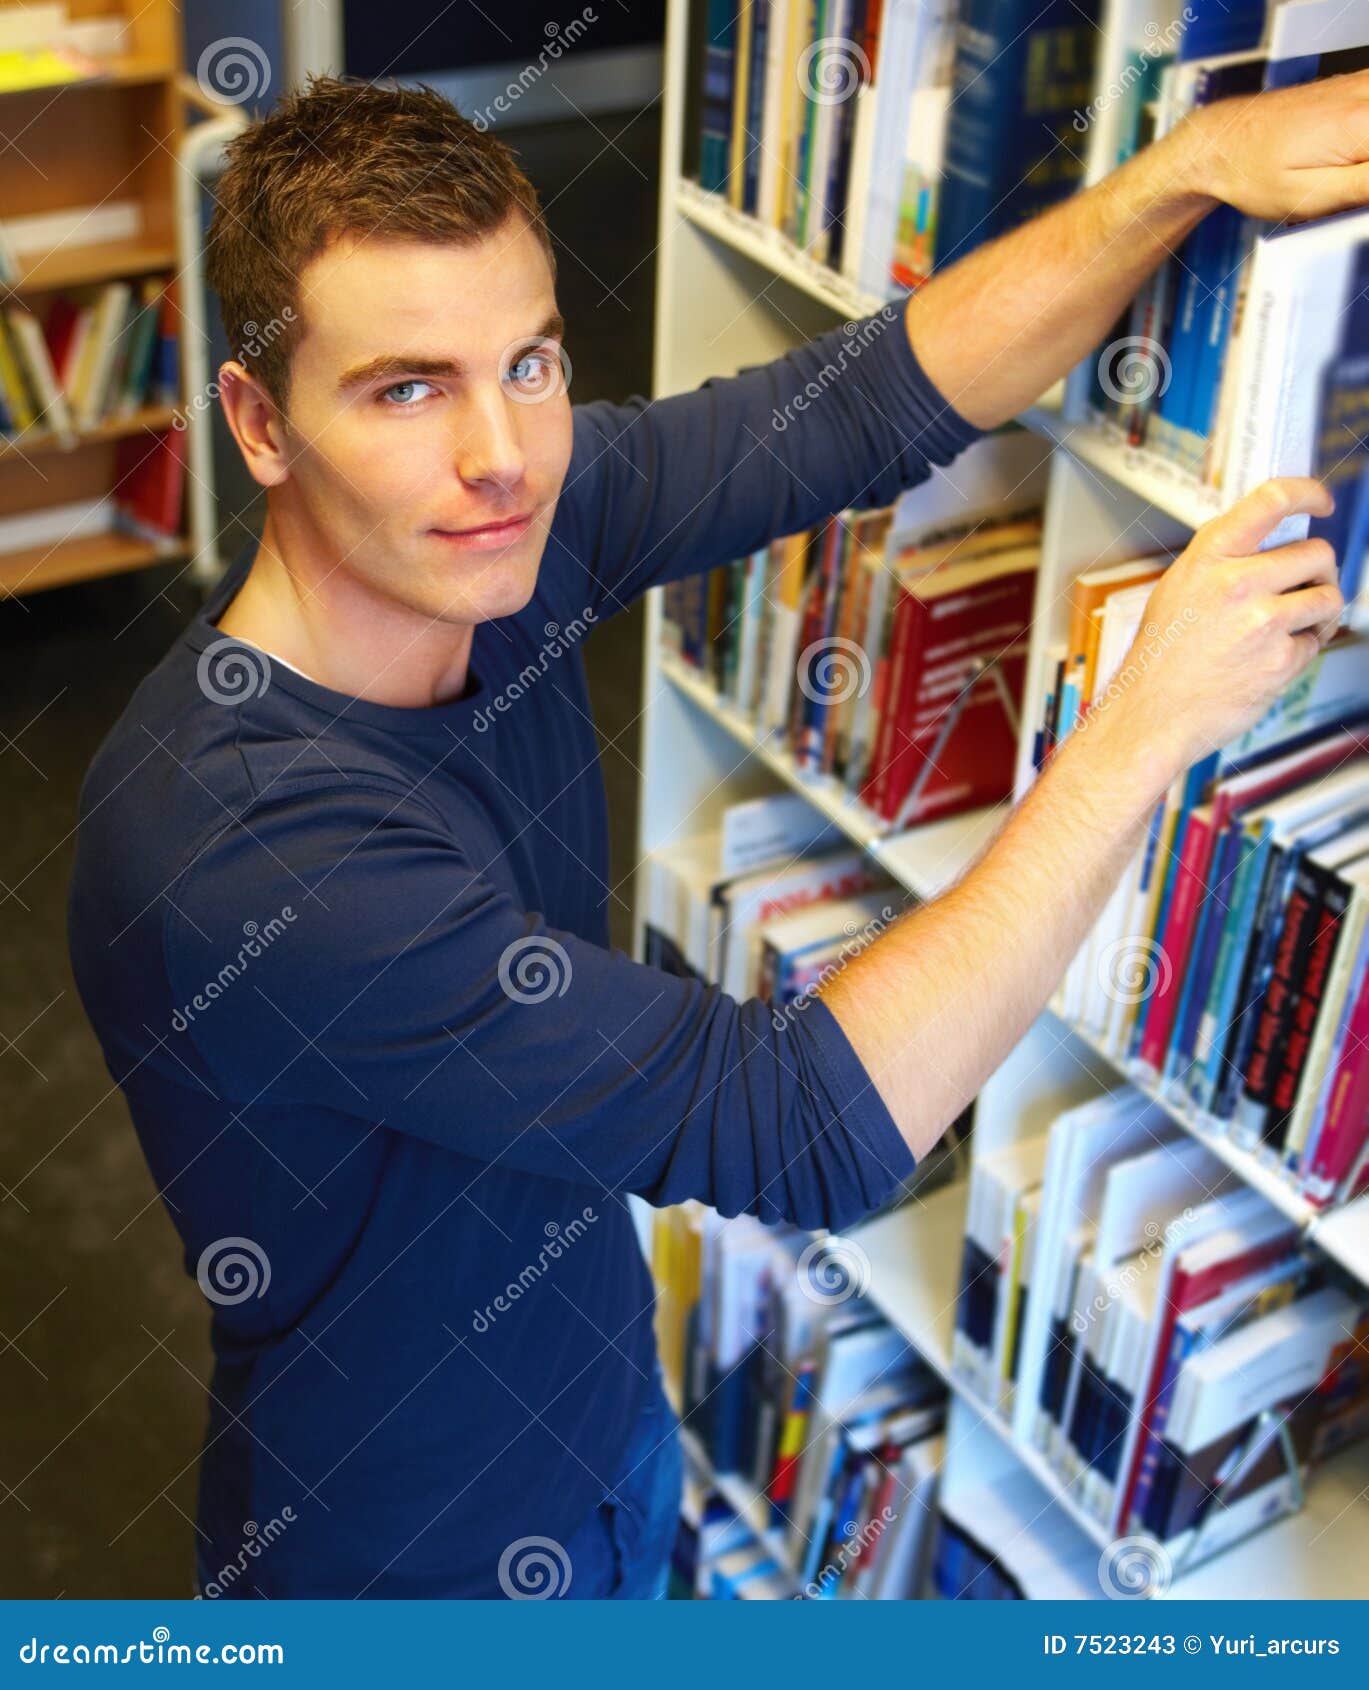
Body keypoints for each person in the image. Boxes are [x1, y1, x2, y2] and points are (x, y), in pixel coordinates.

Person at [67, 69, 1361, 1599]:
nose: (503, 452)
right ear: (259, 422)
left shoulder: (494, 530)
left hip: (604, 1419)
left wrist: (1182, 170)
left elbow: (871, 400)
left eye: (531, 361)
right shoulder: (246, 847)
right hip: (417, 1556)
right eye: (405, 387)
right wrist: (1144, 724)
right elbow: (798, 1123)